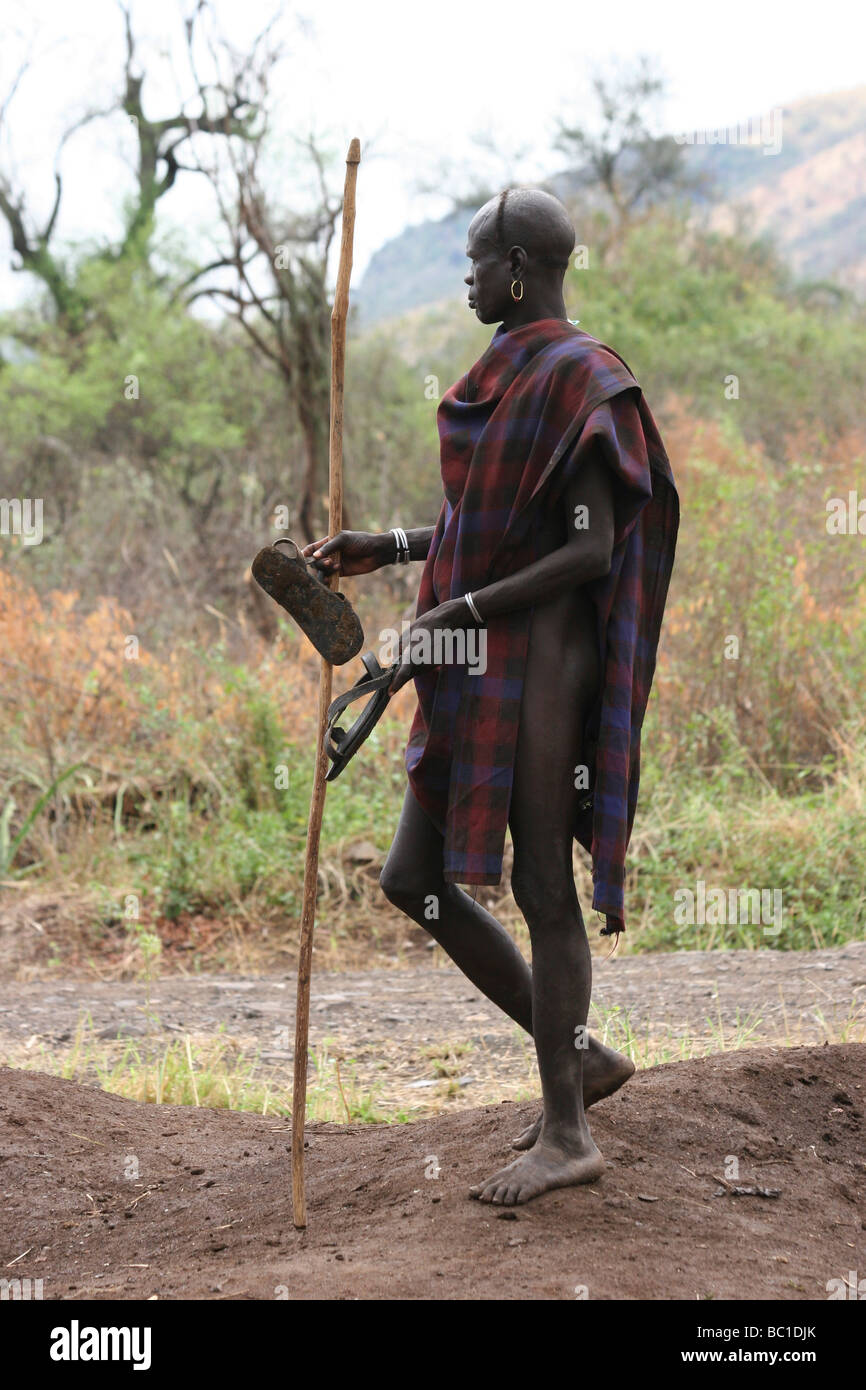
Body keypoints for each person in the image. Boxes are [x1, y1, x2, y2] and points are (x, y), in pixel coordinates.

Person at [304, 187, 679, 1205]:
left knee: (542, 890)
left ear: (516, 268)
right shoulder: (508, 370)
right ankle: (583, 1058)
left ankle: (566, 1132)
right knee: (410, 876)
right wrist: (391, 549)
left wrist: (450, 611)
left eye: (474, 263)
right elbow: (495, 520)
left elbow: (588, 545)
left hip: (539, 668)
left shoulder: (582, 377)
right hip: (475, 659)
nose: (465, 279)